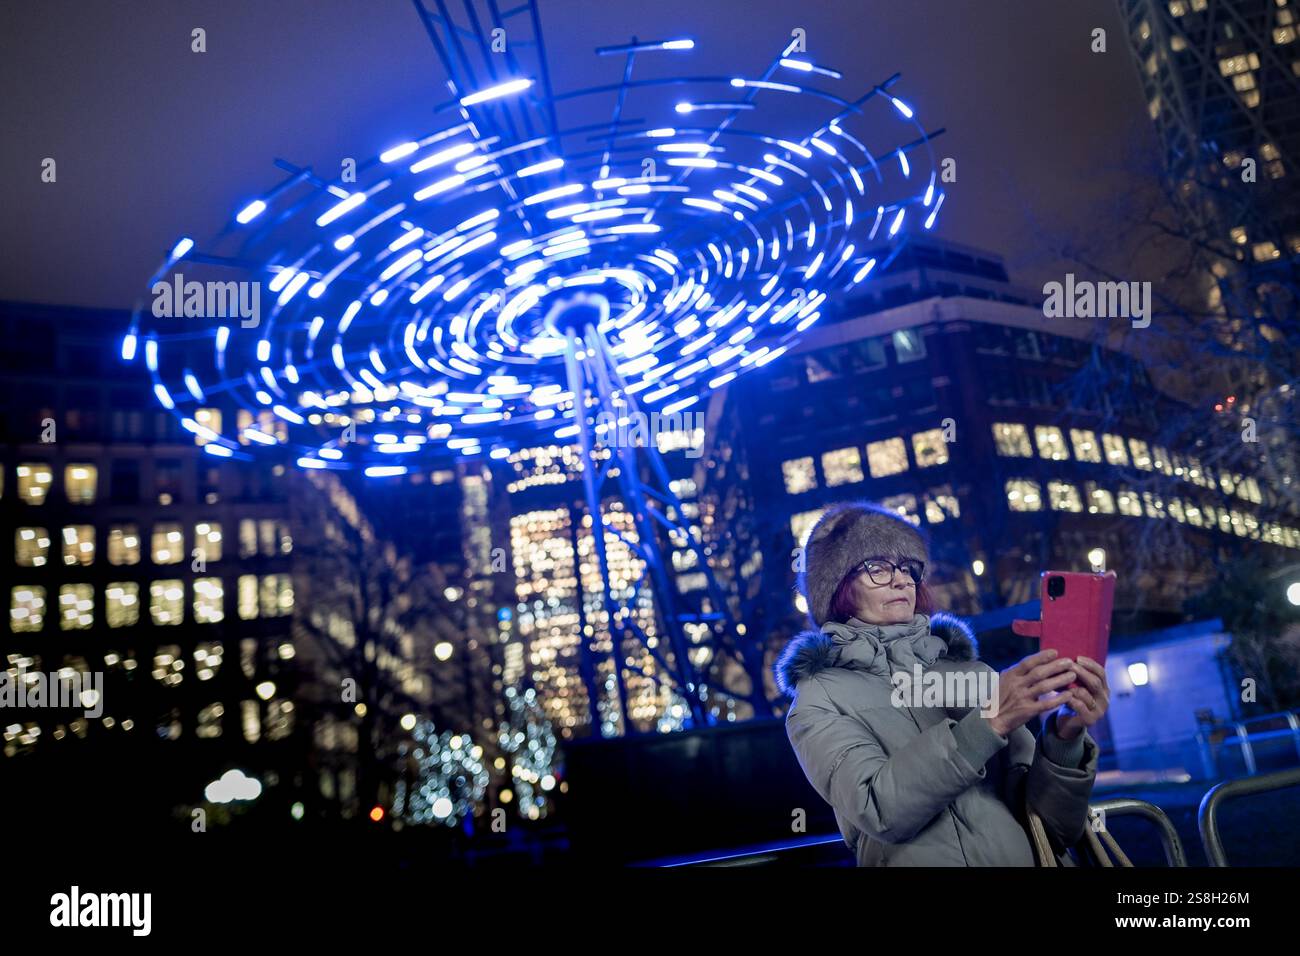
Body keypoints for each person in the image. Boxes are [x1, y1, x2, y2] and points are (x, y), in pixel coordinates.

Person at [774, 501, 1109, 866]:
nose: (901, 579)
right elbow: (879, 809)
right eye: (877, 567)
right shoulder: (819, 699)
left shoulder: (972, 674)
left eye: (907, 567)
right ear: (835, 587)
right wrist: (990, 722)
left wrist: (1064, 739)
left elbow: (1055, 829)